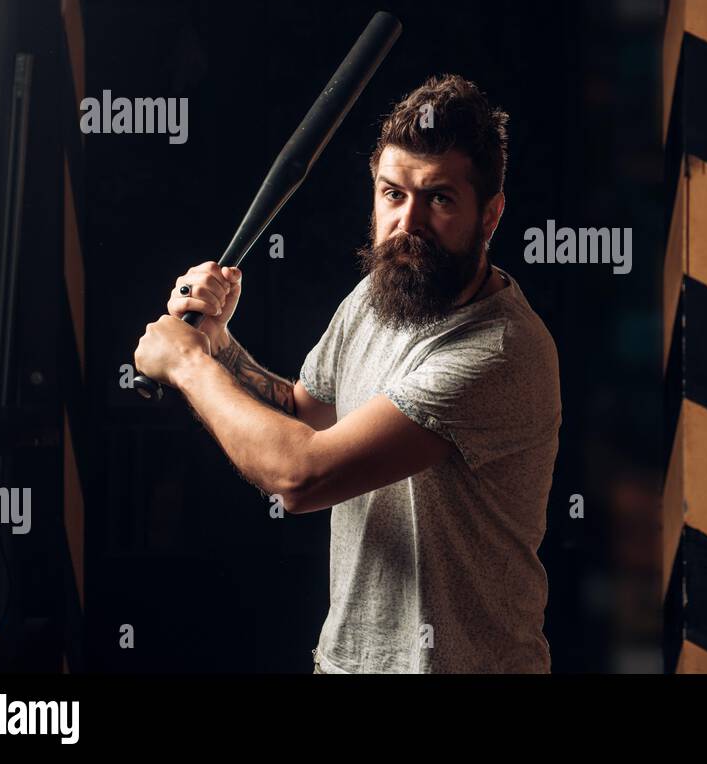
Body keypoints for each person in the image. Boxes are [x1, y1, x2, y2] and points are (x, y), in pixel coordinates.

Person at [133, 73, 562, 673]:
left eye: (439, 199)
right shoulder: (376, 297)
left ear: (490, 215)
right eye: (393, 194)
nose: (407, 223)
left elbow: (300, 474)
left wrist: (187, 363)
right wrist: (218, 343)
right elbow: (307, 417)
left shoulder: (499, 350)